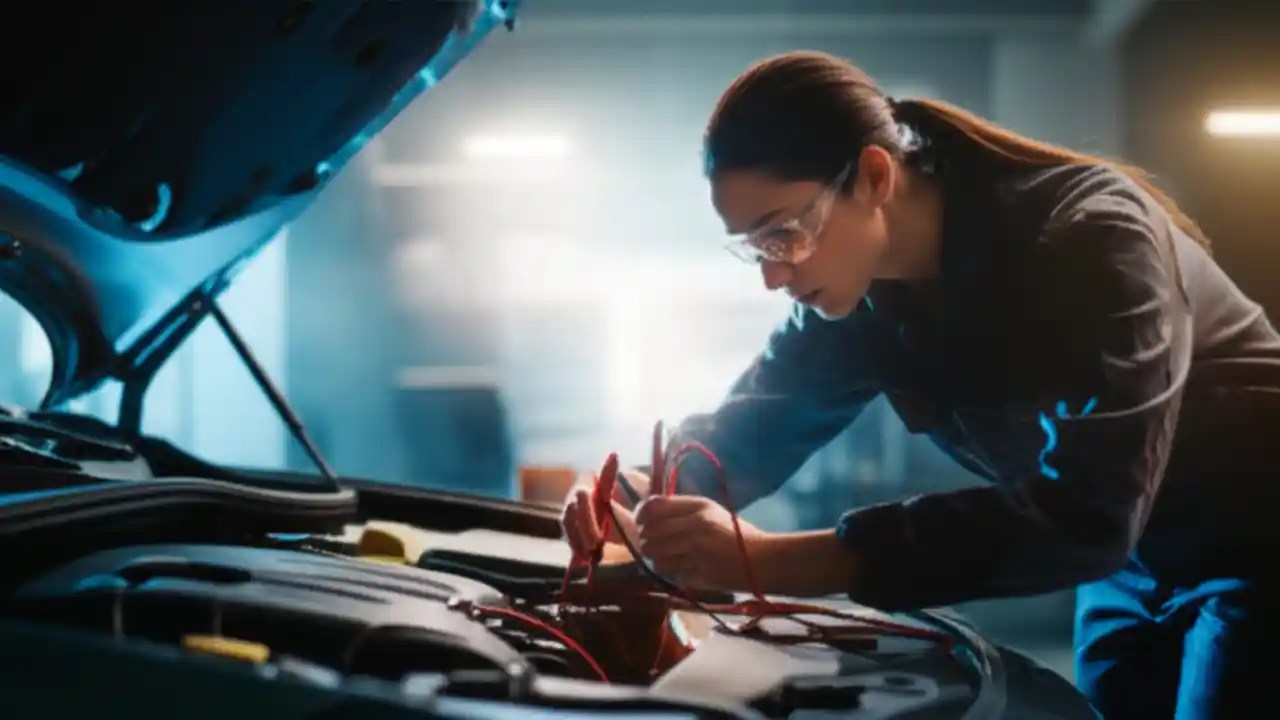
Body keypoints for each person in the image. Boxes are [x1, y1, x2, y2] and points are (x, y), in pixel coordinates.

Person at [559, 50, 1279, 719]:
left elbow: (1086, 515)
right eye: (753, 249)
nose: (774, 275)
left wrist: (776, 562)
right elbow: (750, 431)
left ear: (875, 176)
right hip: (1132, 563)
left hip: (1252, 539)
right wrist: (626, 496)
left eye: (782, 233)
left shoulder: (1094, 239)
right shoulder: (861, 295)